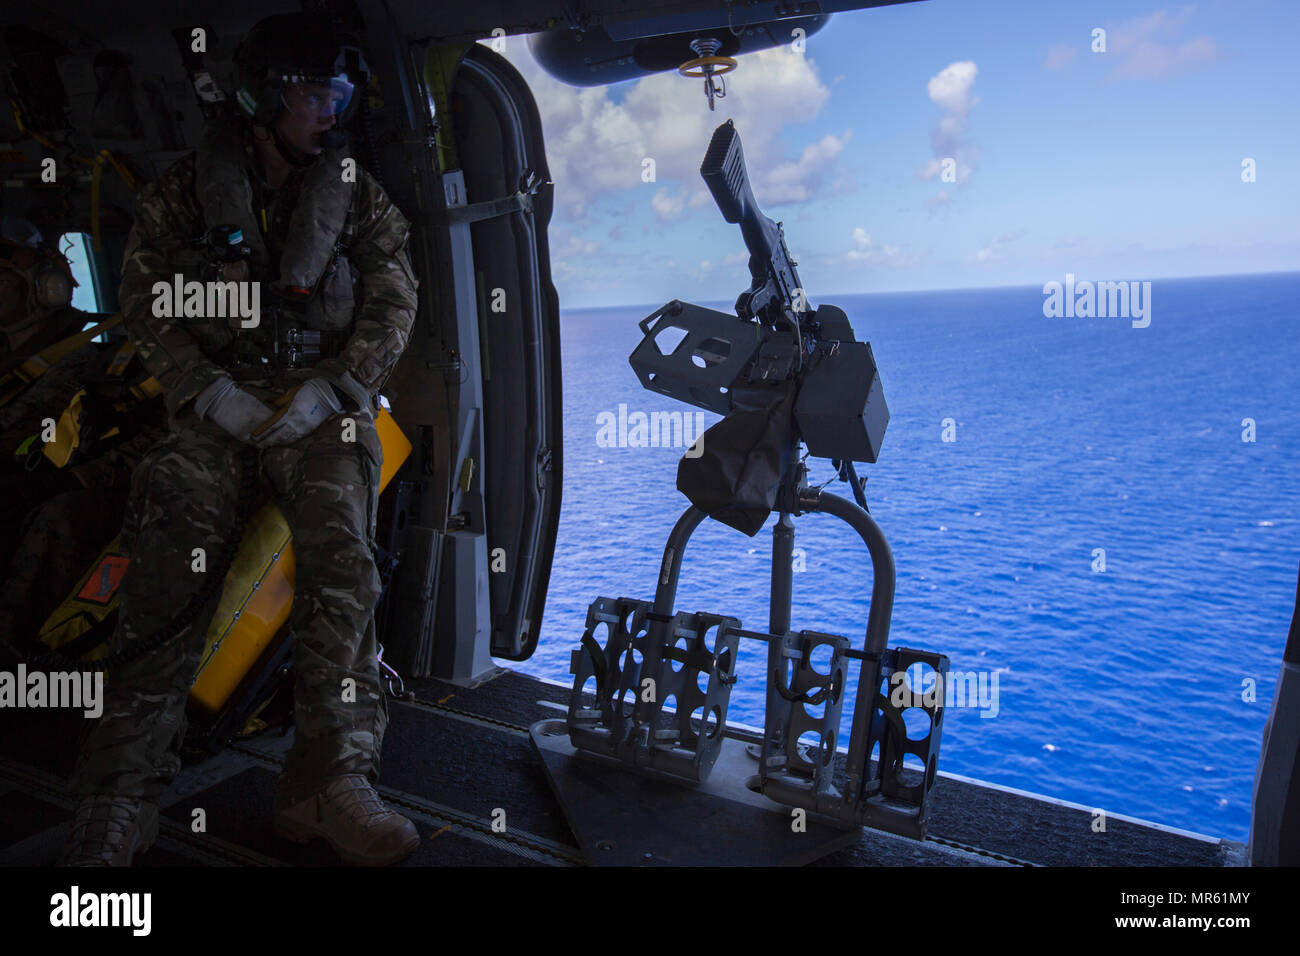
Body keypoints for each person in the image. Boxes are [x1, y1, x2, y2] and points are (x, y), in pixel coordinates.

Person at [59, 12, 420, 866]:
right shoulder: (188, 191)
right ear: (263, 96)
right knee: (166, 559)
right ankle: (117, 800)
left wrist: (338, 386)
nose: (331, 110)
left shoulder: (357, 194)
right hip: (217, 403)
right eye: (314, 93)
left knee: (345, 562)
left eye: (340, 93)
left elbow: (393, 297)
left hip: (318, 403)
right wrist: (204, 389)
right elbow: (143, 295)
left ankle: (327, 782)